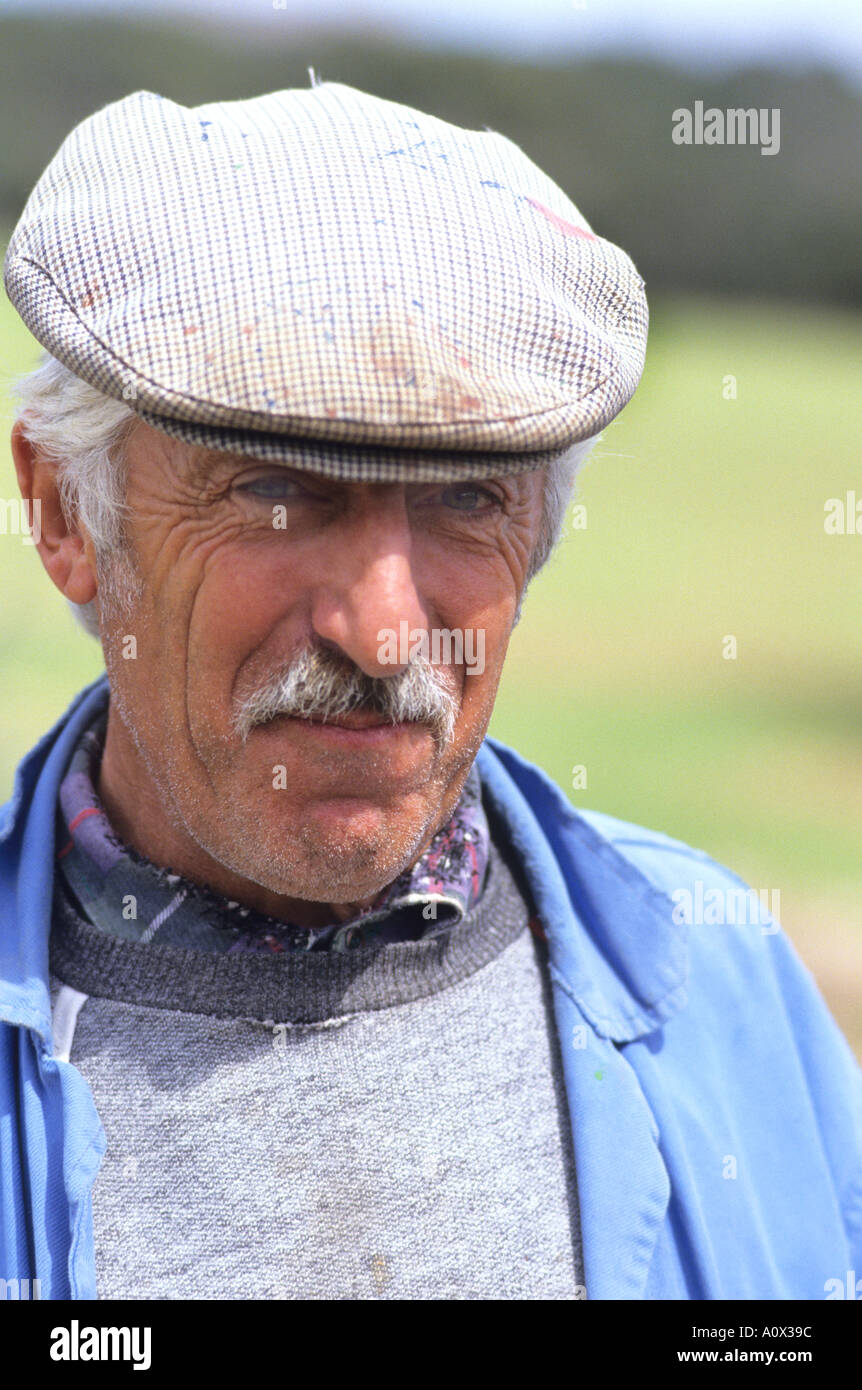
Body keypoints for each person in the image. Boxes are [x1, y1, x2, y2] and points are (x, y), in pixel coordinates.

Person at [1, 80, 859, 1302]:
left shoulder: (716, 981)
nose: (389, 633)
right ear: (62, 512)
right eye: (278, 490)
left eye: (466, 499)